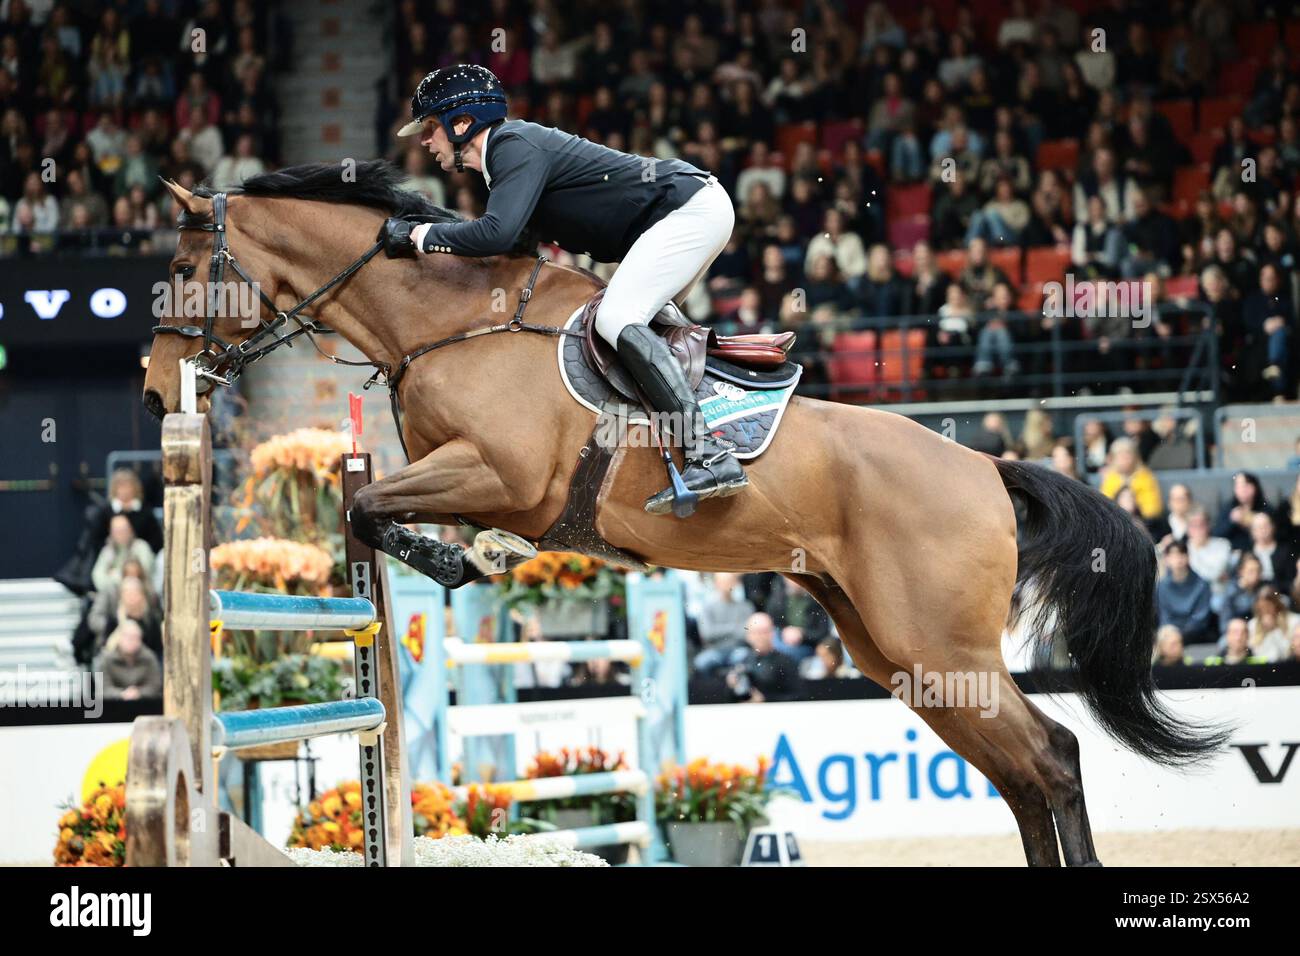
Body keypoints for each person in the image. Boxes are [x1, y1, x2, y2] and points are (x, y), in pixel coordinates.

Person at [379, 65, 746, 515]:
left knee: (616, 319)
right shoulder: (508, 160)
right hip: (686, 211)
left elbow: (496, 234)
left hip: (688, 211)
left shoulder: (513, 146)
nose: (423, 141)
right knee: (639, 329)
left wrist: (418, 236)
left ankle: (709, 453)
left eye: (430, 127)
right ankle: (711, 430)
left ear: (462, 123)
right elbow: (513, 247)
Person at [726, 612, 802, 702]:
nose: (760, 637)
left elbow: (799, 697)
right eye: (755, 632)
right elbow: (732, 699)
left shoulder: (786, 661)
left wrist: (765, 700)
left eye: (764, 632)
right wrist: (731, 687)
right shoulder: (744, 660)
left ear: (772, 633)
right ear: (748, 635)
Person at [692, 573, 756, 675]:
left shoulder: (746, 607)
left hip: (737, 650)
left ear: (736, 583)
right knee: (701, 663)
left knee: (746, 657)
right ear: (716, 583)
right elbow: (707, 633)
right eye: (724, 582)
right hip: (715, 651)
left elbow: (747, 633)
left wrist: (720, 631)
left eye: (730, 581)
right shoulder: (707, 607)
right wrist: (734, 628)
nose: (727, 585)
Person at [1156, 541, 1214, 645]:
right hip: (1168, 633)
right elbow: (1164, 616)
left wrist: (1181, 634)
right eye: (1172, 555)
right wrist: (1171, 633)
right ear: (1166, 559)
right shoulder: (1161, 587)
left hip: (1195, 634)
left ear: (1188, 557)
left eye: (1181, 554)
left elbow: (1201, 617)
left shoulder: (1202, 584)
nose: (1178, 559)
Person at [94, 620, 162, 701]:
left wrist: (139, 693)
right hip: (113, 706)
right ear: (119, 638)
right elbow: (102, 689)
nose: (132, 641)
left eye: (136, 637)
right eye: (128, 637)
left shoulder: (149, 657)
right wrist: (122, 694)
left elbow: (155, 686)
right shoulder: (105, 659)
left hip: (143, 704)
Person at [1099, 437, 1163, 521]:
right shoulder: (1110, 478)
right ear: (1113, 459)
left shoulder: (1145, 476)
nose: (1125, 459)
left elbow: (1152, 509)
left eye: (1128, 454)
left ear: (1135, 457)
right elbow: (1104, 508)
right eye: (1120, 455)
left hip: (1143, 523)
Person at [91, 515, 156, 596]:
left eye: (124, 530)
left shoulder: (141, 547)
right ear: (111, 533)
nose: (121, 534)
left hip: (139, 593)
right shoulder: (108, 550)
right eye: (117, 531)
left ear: (131, 530)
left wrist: (113, 574)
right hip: (113, 594)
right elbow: (97, 576)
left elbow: (143, 573)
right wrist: (122, 576)